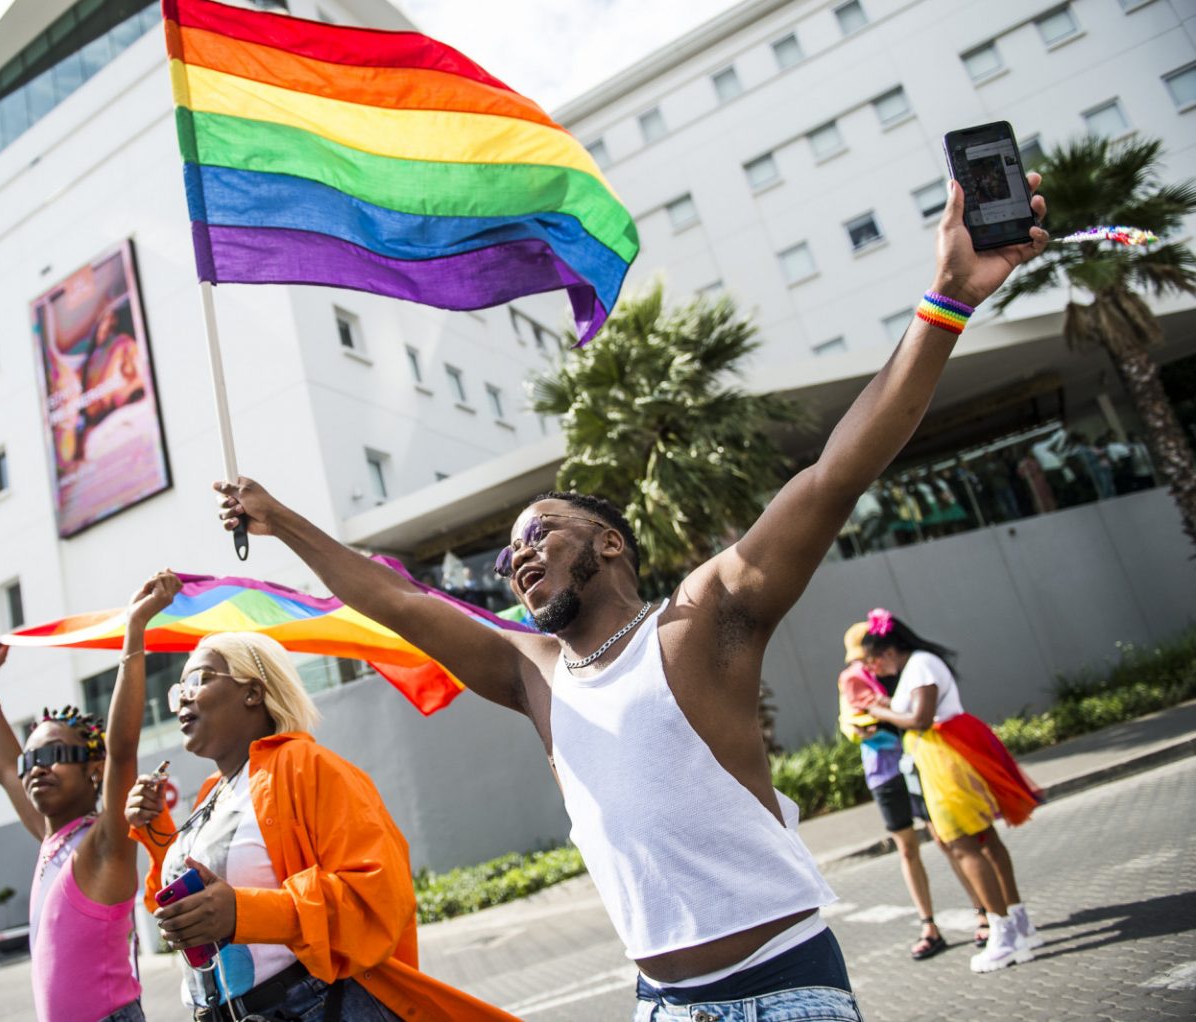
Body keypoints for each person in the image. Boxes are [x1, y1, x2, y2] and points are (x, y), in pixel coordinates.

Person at [212, 173, 1049, 1019]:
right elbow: (397, 603)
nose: (518, 559)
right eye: (509, 555)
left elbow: (836, 473)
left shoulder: (699, 621)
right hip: (659, 1005)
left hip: (784, 993)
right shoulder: (531, 673)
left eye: (539, 535)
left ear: (608, 544)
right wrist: (282, 521)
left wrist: (945, 299)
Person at [125, 631, 518, 1022]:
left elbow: (376, 896)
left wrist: (243, 912)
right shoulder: (211, 796)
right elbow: (185, 900)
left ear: (253, 692)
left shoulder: (307, 765)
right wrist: (155, 830)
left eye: (201, 679)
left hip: (310, 1005)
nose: (184, 697)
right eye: (179, 689)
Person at [0, 569, 182, 1022]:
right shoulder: (50, 841)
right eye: (33, 759)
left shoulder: (105, 843)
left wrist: (135, 629)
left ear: (94, 770)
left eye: (54, 754)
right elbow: (3, 767)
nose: (37, 766)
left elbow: (123, 749)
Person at [854, 609, 1044, 973]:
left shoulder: (921, 665)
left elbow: (921, 719)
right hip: (944, 753)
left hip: (945, 757)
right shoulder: (917, 667)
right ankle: (1018, 924)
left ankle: (1003, 935)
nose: (872, 668)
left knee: (964, 844)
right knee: (983, 839)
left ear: (889, 650)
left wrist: (882, 712)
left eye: (872, 659)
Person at [837, 622, 982, 960]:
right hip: (883, 770)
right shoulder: (850, 679)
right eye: (861, 658)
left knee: (947, 839)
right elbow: (847, 719)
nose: (866, 663)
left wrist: (882, 709)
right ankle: (928, 926)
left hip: (919, 761)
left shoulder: (902, 669)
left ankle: (982, 911)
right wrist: (857, 728)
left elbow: (919, 712)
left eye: (869, 656)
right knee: (907, 850)